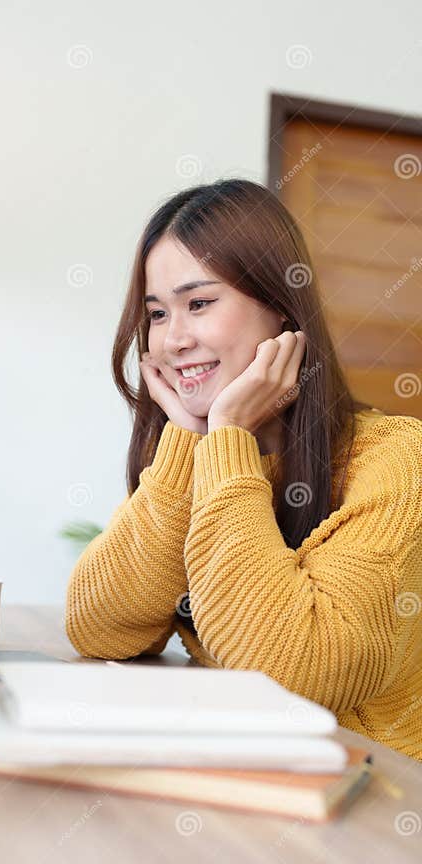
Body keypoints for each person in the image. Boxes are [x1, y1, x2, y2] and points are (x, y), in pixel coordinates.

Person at [65, 178, 422, 761]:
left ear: (280, 304)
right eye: (157, 313)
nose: (174, 338)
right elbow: (100, 625)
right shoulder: (198, 453)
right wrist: (191, 434)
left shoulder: (398, 460)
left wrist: (225, 435)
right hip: (238, 776)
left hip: (369, 804)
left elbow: (293, 671)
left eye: (199, 304)